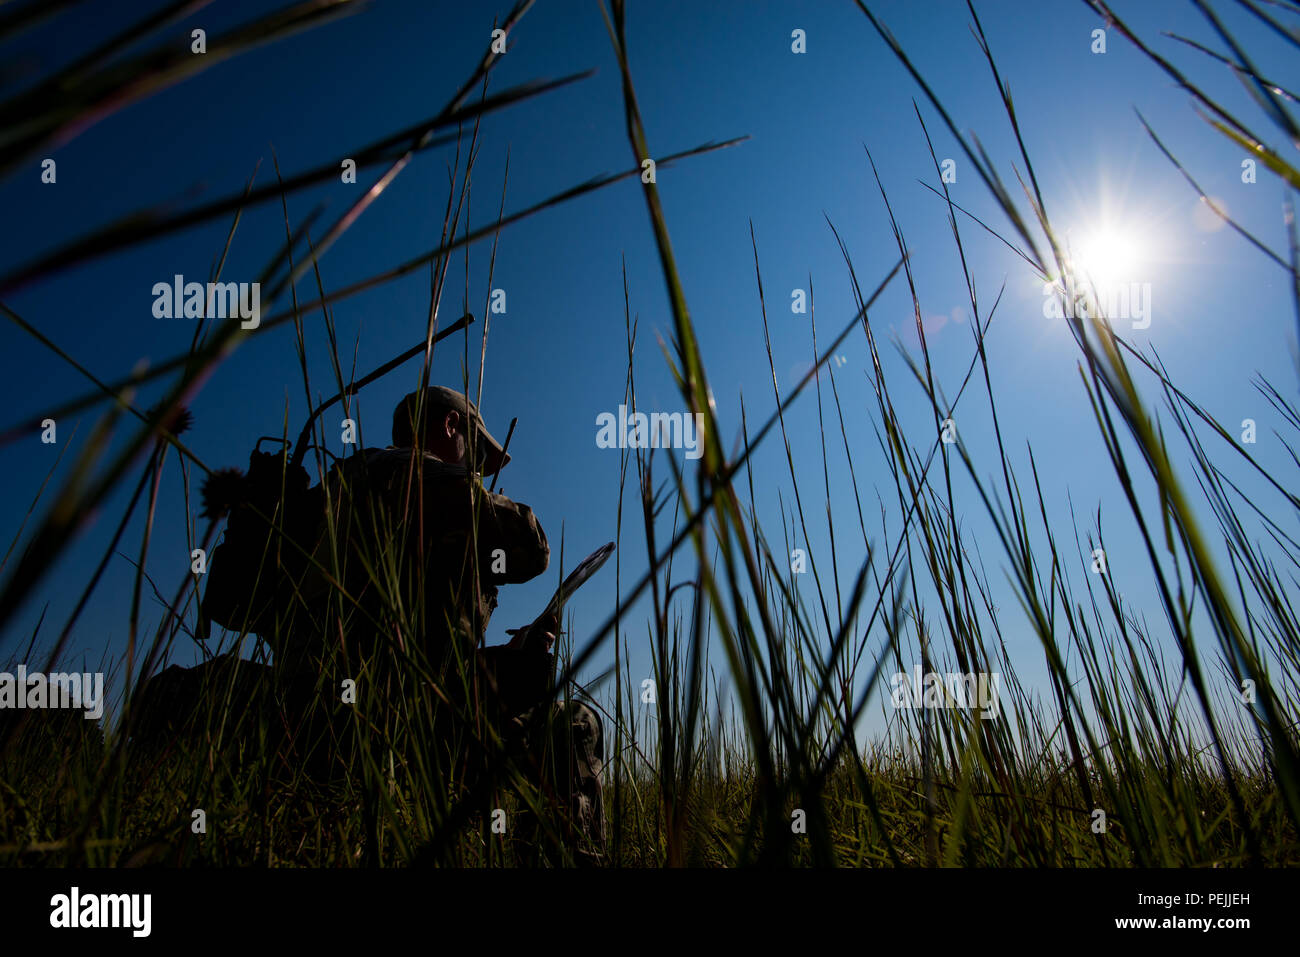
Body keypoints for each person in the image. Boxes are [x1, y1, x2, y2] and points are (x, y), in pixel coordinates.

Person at [136, 386, 606, 865]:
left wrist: (509, 656)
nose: (478, 468)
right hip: (396, 733)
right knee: (576, 725)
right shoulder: (413, 475)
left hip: (297, 718)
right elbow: (533, 548)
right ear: (450, 426)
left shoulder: (320, 497)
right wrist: (479, 497)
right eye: (478, 452)